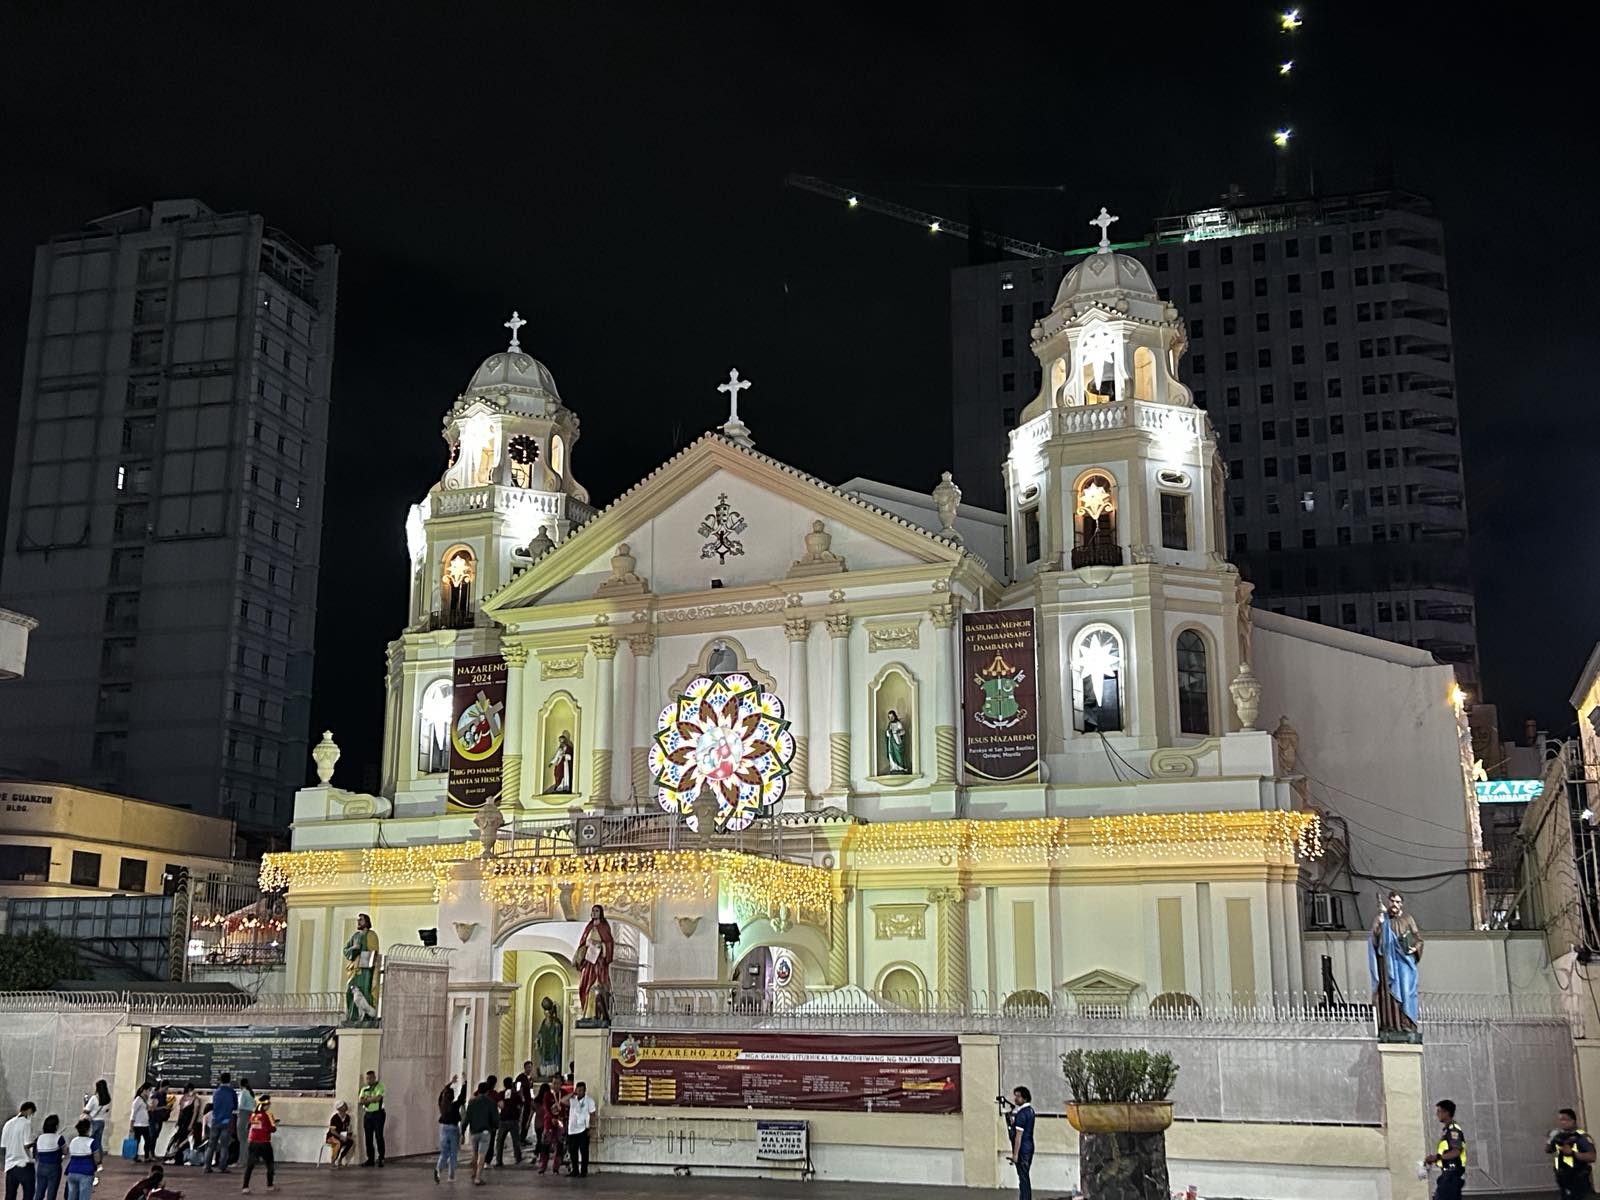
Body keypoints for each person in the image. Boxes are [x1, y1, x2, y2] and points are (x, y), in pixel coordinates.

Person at [1369, 889, 1424, 1038]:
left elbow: (1418, 939)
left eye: (1398, 902)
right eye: (1392, 901)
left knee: (1406, 992)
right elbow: (1374, 940)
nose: (1395, 904)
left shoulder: (1408, 919)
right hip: (1387, 962)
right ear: (1388, 902)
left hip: (1404, 962)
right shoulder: (1382, 918)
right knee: (1388, 994)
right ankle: (1390, 1025)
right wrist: (1379, 925)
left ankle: (1407, 1024)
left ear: (1402, 904)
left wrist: (1414, 947)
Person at [575, 906, 615, 1023]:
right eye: (592, 911)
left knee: (597, 988)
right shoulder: (589, 927)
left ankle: (598, 1014)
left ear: (601, 913)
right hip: (589, 962)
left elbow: (609, 943)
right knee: (585, 986)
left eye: (596, 911)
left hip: (599, 963)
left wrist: (600, 945)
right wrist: (586, 945)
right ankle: (587, 1013)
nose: (594, 913)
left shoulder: (604, 927)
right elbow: (582, 943)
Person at [1548, 1107, 1597, 1200]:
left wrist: (1573, 1153)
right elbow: (1548, 1150)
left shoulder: (1581, 1136)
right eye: (1560, 1120)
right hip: (1563, 1179)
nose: (1562, 1122)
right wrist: (1550, 1140)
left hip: (1579, 1178)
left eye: (1564, 1120)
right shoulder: (1559, 1136)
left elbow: (1592, 1157)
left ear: (1573, 1120)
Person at [1424, 1099, 1466, 1200]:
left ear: (1446, 1112)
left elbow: (1456, 1151)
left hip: (1452, 1174)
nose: (1437, 1114)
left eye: (1439, 1111)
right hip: (1448, 1173)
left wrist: (1436, 1157)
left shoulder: (1453, 1130)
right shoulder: (1447, 1130)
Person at [343, 914, 382, 1026]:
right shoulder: (355, 936)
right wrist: (353, 949)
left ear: (366, 922)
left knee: (365, 991)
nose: (358, 922)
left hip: (366, 970)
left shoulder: (371, 935)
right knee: (350, 991)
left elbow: (374, 952)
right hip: (354, 968)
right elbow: (346, 950)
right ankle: (352, 1016)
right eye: (358, 920)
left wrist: (366, 956)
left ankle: (367, 1016)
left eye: (361, 920)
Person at [240, 1095, 276, 1193]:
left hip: (253, 1142)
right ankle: (270, 1185)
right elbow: (273, 1129)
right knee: (269, 1165)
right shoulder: (268, 1115)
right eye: (269, 1104)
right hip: (264, 1143)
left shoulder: (253, 1115)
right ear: (266, 1105)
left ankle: (245, 1187)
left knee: (250, 1166)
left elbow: (248, 1127)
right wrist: (273, 1125)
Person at [463, 1083, 497, 1187]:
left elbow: (467, 1118)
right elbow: (495, 1118)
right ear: (487, 1091)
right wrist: (495, 1126)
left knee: (474, 1154)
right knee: (482, 1155)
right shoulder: (491, 1102)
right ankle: (478, 1177)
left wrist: (462, 1131)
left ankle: (474, 1173)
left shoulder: (472, 1102)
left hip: (474, 1132)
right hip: (485, 1132)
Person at [1005, 1086, 1035, 1200]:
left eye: (1018, 1096)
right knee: (1024, 1176)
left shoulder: (1022, 1114)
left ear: (1025, 1098)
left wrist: (1015, 1155)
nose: (1015, 1099)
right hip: (1029, 1147)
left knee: (1023, 1177)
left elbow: (1018, 1136)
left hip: (1022, 1149)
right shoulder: (1030, 1111)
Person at [4, 1103, 37, 1200]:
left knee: (10, 1195)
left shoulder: (8, 1124)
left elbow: (4, 1144)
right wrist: (35, 1141)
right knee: (29, 1193)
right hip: (24, 1164)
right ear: (29, 1110)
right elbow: (27, 1144)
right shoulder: (26, 1123)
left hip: (10, 1165)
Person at [205, 1074, 237, 1174]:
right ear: (229, 1080)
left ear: (220, 1081)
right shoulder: (231, 1092)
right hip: (226, 1120)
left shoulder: (216, 1092)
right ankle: (222, 1167)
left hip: (215, 1121)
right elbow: (235, 1106)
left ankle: (207, 1166)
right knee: (224, 1146)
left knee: (211, 1145)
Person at [434, 1076, 462, 1184]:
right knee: (453, 1153)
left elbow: (442, 1093)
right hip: (453, 1129)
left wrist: (450, 1083)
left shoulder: (442, 1104)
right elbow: (462, 1097)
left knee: (444, 1152)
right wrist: (464, 1083)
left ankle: (438, 1169)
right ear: (452, 1096)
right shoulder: (455, 1106)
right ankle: (451, 1176)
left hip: (443, 1129)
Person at [565, 1082, 596, 1179]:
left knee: (584, 1151)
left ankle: (583, 1171)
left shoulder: (589, 1101)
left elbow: (592, 1115)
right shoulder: (572, 1100)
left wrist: (591, 1127)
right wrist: (572, 1094)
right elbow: (562, 1101)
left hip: (583, 1129)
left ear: (585, 1090)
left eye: (581, 1090)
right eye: (578, 1090)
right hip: (572, 1130)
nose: (580, 1092)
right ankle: (575, 1170)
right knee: (573, 1151)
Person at [531, 1084, 562, 1176]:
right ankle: (554, 1167)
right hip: (548, 1124)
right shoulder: (549, 1098)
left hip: (541, 1124)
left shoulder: (537, 1101)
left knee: (543, 1144)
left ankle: (542, 1164)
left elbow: (532, 1112)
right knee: (556, 1145)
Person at [358, 1070, 386, 1167]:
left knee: (378, 1136)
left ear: (374, 1078)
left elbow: (378, 1099)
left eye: (371, 1078)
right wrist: (370, 1099)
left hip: (378, 1114)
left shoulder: (379, 1086)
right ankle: (370, 1158)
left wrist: (367, 1100)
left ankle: (381, 1157)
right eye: (367, 1078)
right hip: (368, 1114)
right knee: (368, 1137)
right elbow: (361, 1101)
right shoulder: (364, 1089)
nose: (369, 1080)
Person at [493, 1077, 522, 1167]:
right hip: (513, 1119)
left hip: (503, 1119)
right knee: (516, 1141)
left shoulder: (501, 1094)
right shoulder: (516, 1095)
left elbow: (498, 1104)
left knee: (500, 1141)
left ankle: (499, 1160)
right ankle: (517, 1158)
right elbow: (520, 1106)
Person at [33, 1116, 63, 1200]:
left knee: (39, 1192)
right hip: (54, 1167)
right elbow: (65, 1151)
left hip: (41, 1166)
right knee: (51, 1193)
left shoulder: (39, 1138)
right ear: (56, 1126)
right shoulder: (59, 1138)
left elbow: (36, 1153)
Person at [164, 1091, 197, 1166]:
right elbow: (180, 1111)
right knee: (176, 1139)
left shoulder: (195, 1100)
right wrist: (178, 1121)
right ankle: (172, 1155)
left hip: (187, 1123)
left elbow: (195, 1112)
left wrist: (191, 1124)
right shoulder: (183, 1099)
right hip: (182, 1123)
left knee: (183, 1140)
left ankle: (177, 1157)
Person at [61, 1125, 93, 1200]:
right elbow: (96, 1156)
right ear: (88, 1130)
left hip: (72, 1171)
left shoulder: (73, 1141)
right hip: (85, 1171)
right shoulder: (91, 1141)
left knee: (71, 1195)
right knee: (84, 1196)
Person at [83, 1083, 110, 1166]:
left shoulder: (94, 1098)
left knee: (89, 1141)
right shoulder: (107, 1099)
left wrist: (85, 1103)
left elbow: (86, 1110)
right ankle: (99, 1161)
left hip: (93, 1121)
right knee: (98, 1142)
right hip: (102, 1121)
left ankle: (90, 1159)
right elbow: (107, 1110)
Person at [145, 1085, 170, 1166]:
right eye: (166, 1088)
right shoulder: (156, 1095)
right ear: (161, 1087)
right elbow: (153, 1108)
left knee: (155, 1136)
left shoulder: (163, 1096)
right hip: (154, 1119)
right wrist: (164, 1107)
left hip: (159, 1119)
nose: (167, 1090)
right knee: (152, 1136)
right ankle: (150, 1153)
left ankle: (152, 1153)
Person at [324, 1103, 353, 1169]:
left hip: (341, 1136)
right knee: (338, 1143)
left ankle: (340, 1159)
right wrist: (341, 1136)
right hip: (332, 1136)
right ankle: (333, 1161)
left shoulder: (347, 1117)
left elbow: (346, 1128)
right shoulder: (334, 1118)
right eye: (344, 1106)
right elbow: (332, 1130)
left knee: (350, 1142)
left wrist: (347, 1136)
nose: (346, 1106)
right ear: (339, 1109)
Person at [130, 1086, 151, 1164]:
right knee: (137, 1141)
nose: (149, 1092)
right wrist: (131, 1125)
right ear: (144, 1090)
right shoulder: (138, 1100)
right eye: (148, 1090)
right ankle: (135, 1156)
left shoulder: (144, 1100)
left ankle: (146, 1156)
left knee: (148, 1140)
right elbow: (133, 1113)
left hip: (145, 1124)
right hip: (138, 1124)